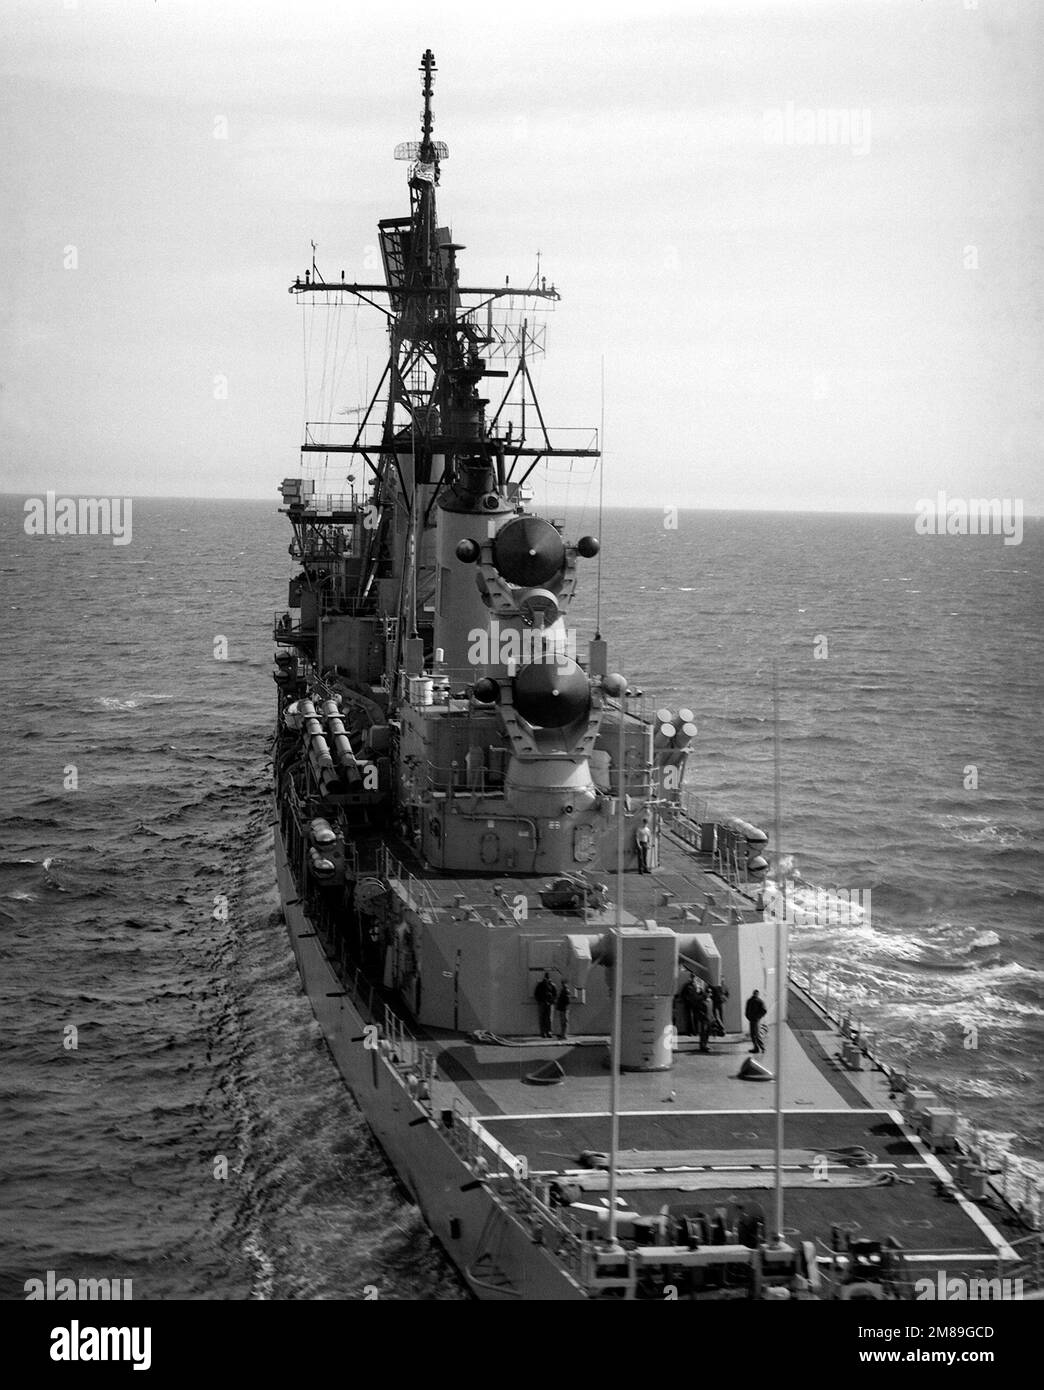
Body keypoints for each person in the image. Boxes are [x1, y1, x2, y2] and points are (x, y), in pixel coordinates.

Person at [534, 972, 557, 1038]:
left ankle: (548, 1032)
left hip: (548, 1003)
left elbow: (555, 995)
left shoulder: (551, 985)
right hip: (543, 1003)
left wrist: (551, 1001)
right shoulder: (542, 985)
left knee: (548, 1019)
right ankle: (544, 1032)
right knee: (544, 1018)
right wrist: (540, 1001)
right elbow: (536, 994)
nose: (547, 979)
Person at [745, 989, 767, 1053]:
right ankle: (756, 1048)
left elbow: (764, 1010)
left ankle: (762, 1048)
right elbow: (747, 1010)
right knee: (753, 1034)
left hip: (756, 1020)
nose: (755, 994)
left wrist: (758, 1017)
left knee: (756, 1034)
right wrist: (749, 1016)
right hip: (752, 1019)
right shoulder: (750, 1001)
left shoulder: (759, 1001)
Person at [696, 989, 714, 1053]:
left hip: (709, 1019)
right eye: (708, 992)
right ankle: (702, 1045)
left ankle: (706, 1044)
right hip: (703, 1020)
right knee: (703, 1033)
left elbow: (711, 1011)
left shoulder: (710, 1001)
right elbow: (699, 1011)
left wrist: (712, 1018)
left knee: (707, 1033)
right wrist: (703, 1016)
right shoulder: (702, 1001)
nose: (709, 994)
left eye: (710, 992)